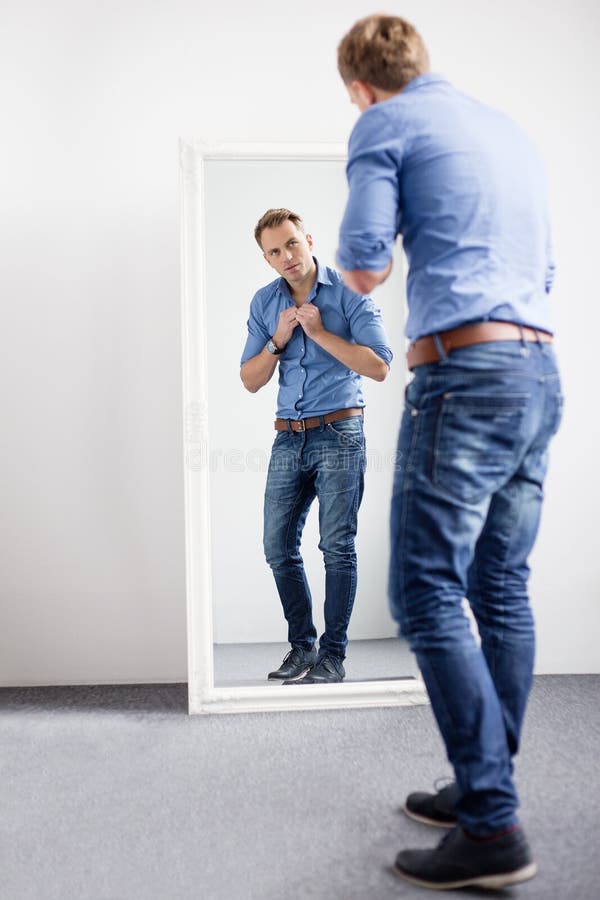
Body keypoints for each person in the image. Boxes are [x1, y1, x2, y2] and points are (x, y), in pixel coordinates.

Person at [335, 13, 563, 891]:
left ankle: (493, 824)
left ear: (360, 87)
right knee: (499, 584)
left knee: (424, 589)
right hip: (536, 372)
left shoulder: (383, 124)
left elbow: (364, 263)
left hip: (463, 377)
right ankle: (482, 788)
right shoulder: (507, 131)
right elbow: (544, 274)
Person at [240, 208, 393, 684]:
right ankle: (302, 647)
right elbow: (249, 379)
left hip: (339, 433)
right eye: (274, 251)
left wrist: (320, 333)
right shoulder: (265, 302)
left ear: (308, 240)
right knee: (277, 546)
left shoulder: (350, 293)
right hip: (288, 436)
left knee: (336, 546)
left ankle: (333, 656)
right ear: (267, 259)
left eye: (291, 243)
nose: (286, 255)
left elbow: (379, 366)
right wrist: (277, 340)